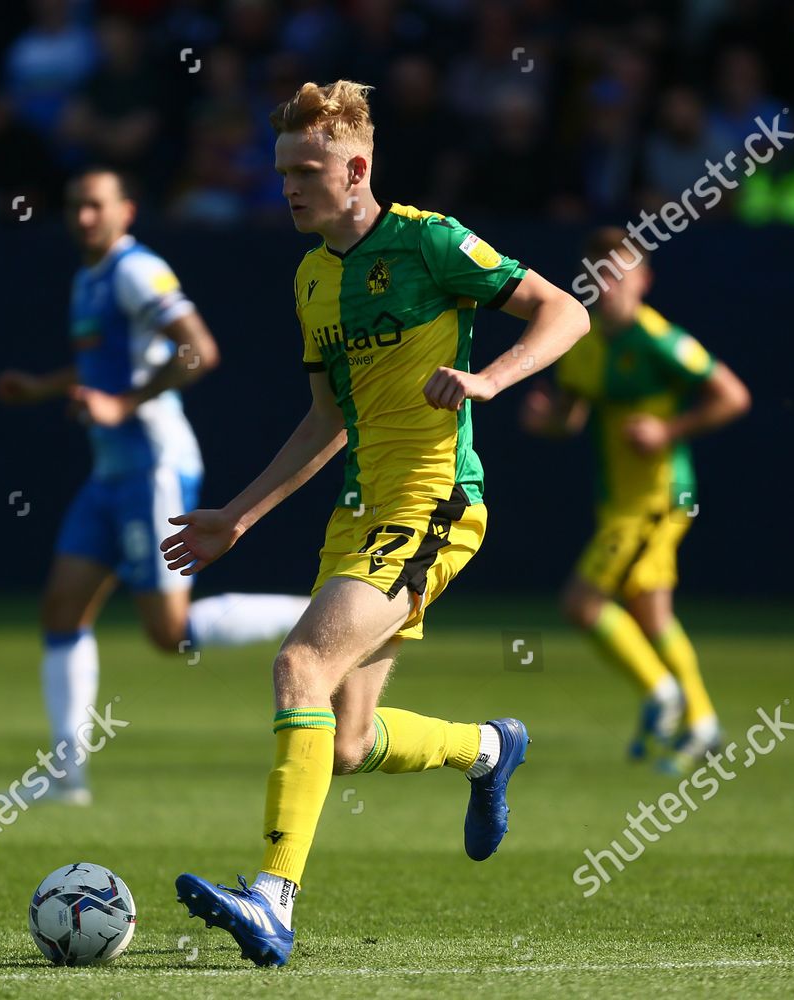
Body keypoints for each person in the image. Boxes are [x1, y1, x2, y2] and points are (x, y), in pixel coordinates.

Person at [160, 80, 590, 966]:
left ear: (357, 168)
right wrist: (237, 519)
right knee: (346, 740)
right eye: (281, 169)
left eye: (306, 169)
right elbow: (327, 420)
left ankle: (272, 899)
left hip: (434, 504)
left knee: (298, 663)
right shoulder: (313, 276)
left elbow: (566, 309)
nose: (288, 185)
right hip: (357, 516)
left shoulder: (429, 241)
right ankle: (487, 748)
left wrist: (488, 381)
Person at [0, 168, 310, 804]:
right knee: (62, 607)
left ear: (126, 210)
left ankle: (313, 613)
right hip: (110, 475)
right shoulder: (90, 277)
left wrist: (125, 403)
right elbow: (104, 365)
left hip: (154, 468)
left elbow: (199, 351)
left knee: (169, 635)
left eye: (96, 206)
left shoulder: (138, 269)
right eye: (75, 206)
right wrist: (45, 387)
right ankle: (67, 775)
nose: (83, 218)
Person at [521, 226, 751, 773]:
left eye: (620, 272)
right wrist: (545, 421)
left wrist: (668, 431)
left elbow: (733, 396)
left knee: (582, 603)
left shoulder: (659, 340)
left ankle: (662, 694)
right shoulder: (585, 346)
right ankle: (702, 723)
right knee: (651, 611)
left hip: (659, 498)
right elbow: (571, 418)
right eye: (600, 274)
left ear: (643, 279)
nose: (611, 284)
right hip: (619, 501)